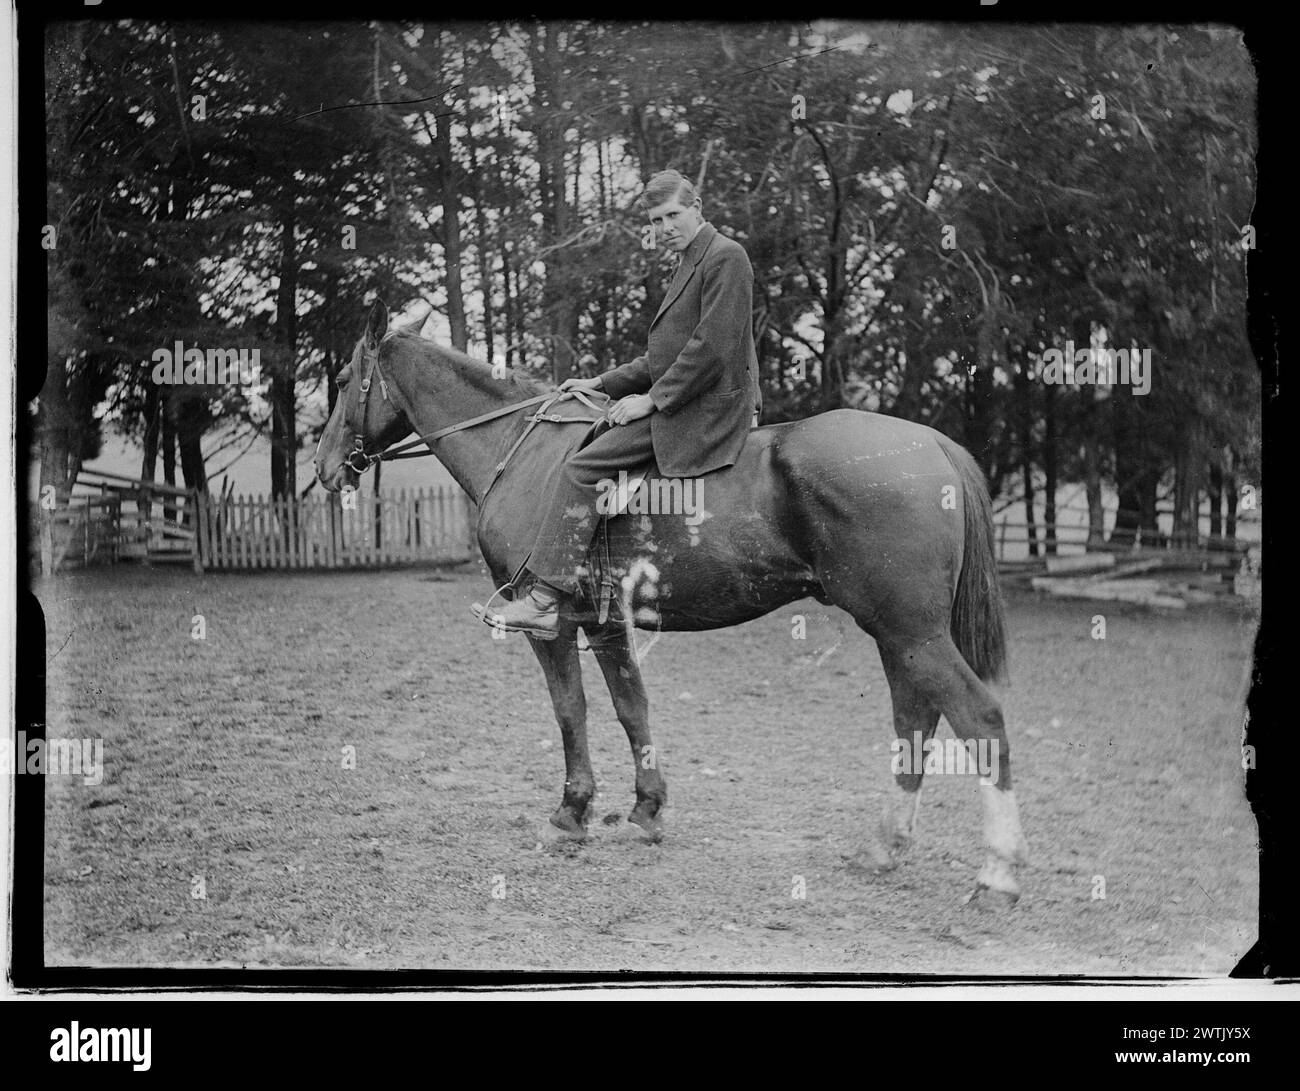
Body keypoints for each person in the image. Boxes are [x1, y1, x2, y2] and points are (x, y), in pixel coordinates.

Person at [473, 169, 761, 638]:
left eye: (674, 215)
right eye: (657, 220)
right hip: (689, 398)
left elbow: (711, 347)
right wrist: (600, 382)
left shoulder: (726, 257)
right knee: (594, 438)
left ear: (697, 208)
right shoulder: (689, 261)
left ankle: (544, 601)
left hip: (707, 409)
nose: (666, 227)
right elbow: (662, 357)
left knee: (581, 469)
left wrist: (651, 402)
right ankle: (592, 587)